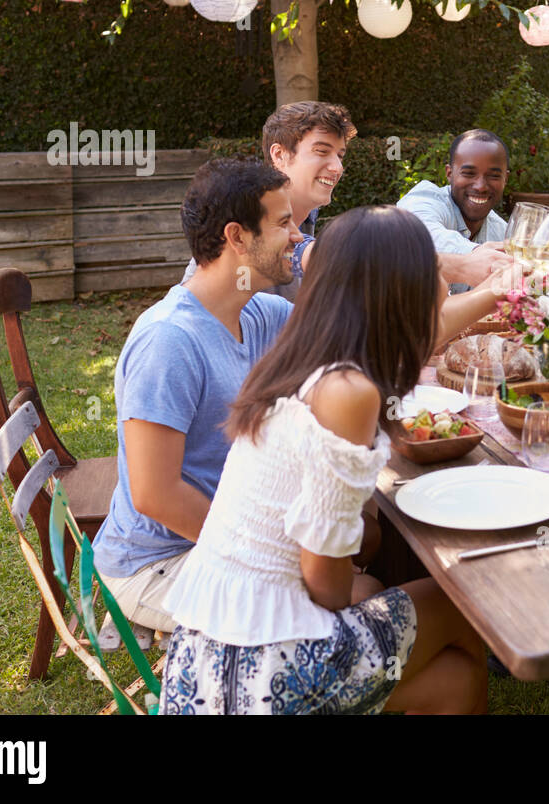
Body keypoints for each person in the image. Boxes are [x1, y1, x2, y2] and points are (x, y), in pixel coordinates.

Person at [96, 159, 502, 644]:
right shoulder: (169, 341)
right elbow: (153, 495)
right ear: (237, 237)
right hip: (160, 562)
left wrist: (496, 291)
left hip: (233, 535)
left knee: (372, 543)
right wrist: (273, 555)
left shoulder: (259, 312)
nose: (298, 237)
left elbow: (383, 337)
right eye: (284, 223)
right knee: (372, 580)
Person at [162, 206, 487, 714]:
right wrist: (359, 591)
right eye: (436, 275)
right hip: (265, 668)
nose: (444, 288)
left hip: (203, 668)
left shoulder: (298, 358)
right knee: (461, 607)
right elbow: (326, 580)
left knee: (455, 677)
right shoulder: (347, 391)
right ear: (400, 292)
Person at [180, 101, 355, 301]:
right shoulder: (248, 207)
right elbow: (299, 253)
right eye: (322, 151)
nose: (337, 167)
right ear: (279, 155)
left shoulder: (308, 215)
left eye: (340, 155)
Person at [397, 128, 510, 291]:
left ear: (505, 179)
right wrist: (476, 254)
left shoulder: (503, 233)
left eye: (493, 176)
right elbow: (418, 233)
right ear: (449, 174)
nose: (480, 186)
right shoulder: (426, 198)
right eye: (469, 174)